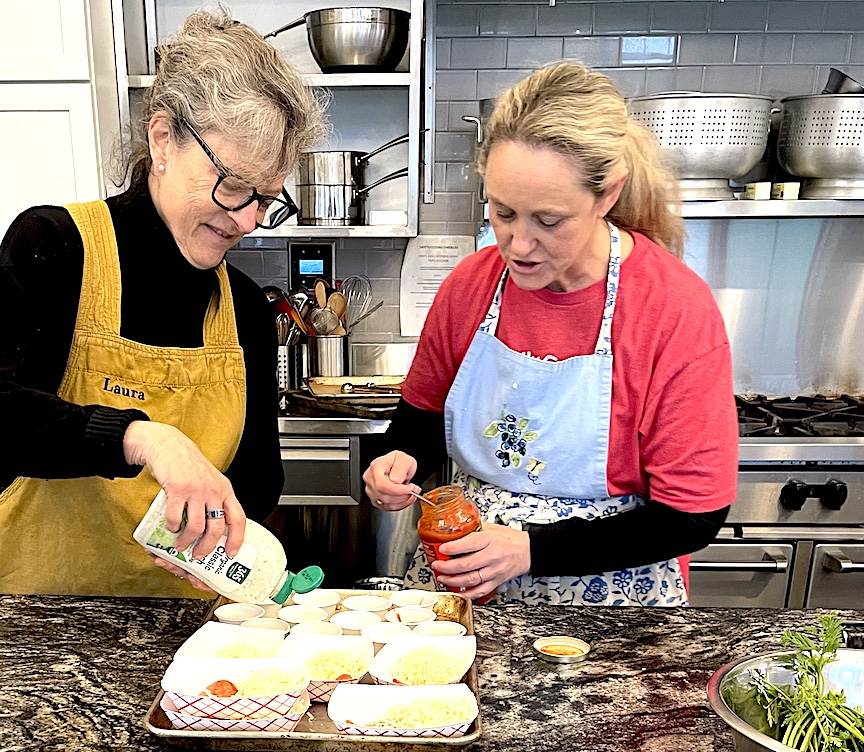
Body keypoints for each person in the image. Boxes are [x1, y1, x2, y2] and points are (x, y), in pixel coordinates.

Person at [363, 62, 738, 606]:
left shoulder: (672, 309)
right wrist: (397, 463)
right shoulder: (470, 287)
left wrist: (530, 549)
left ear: (607, 195)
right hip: (463, 583)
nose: (518, 245)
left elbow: (692, 516)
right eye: (503, 212)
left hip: (611, 607)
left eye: (549, 220)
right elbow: (418, 422)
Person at [0, 9, 326, 597]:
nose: (248, 220)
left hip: (187, 633)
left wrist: (218, 529)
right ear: (162, 140)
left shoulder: (246, 309)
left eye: (265, 198)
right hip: (37, 630)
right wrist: (142, 437)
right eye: (231, 185)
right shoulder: (54, 249)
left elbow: (257, 478)